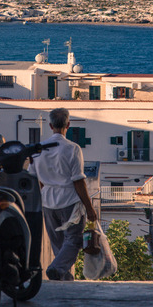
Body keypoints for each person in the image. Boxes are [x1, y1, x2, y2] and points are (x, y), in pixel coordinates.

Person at [29, 108, 98, 281]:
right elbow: (78, 181)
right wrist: (89, 208)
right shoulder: (73, 148)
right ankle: (57, 269)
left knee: (59, 244)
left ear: (50, 125)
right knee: (74, 240)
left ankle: (64, 278)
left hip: (48, 203)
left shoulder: (38, 150)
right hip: (70, 202)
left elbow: (34, 178)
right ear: (68, 124)